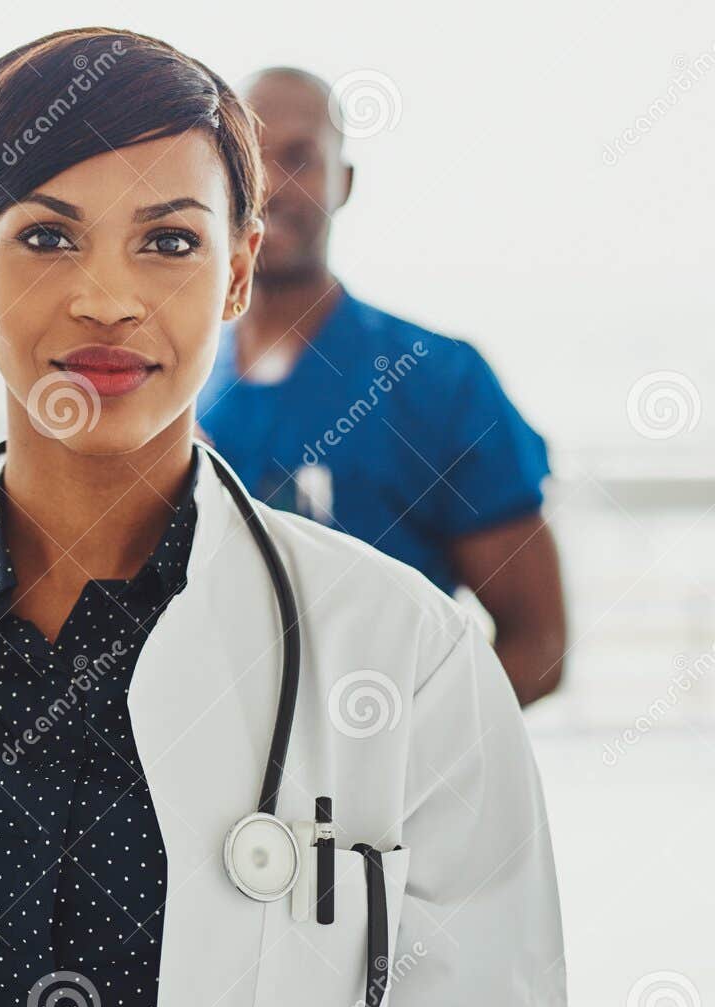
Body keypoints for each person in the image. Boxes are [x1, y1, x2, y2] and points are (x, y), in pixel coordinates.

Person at [0, 28, 567, 1007]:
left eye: (169, 241)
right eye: (49, 239)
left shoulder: (410, 659)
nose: (106, 298)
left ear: (237, 270)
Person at [196, 67, 565, 706]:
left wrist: (390, 762)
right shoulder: (173, 386)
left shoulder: (439, 380)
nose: (273, 187)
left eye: (300, 158)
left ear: (345, 182)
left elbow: (540, 644)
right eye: (251, 160)